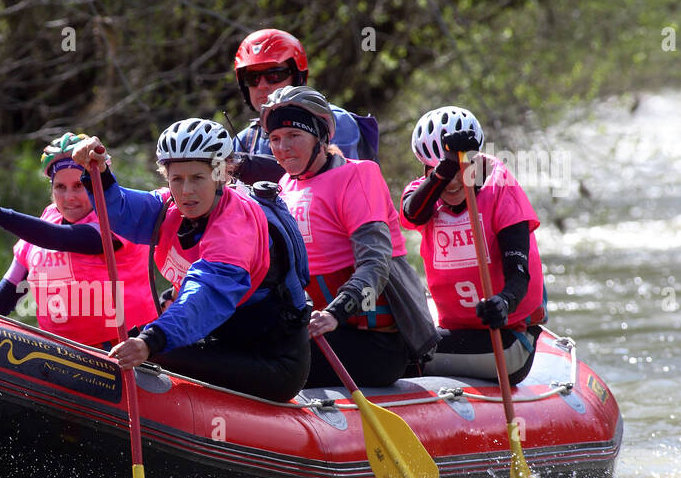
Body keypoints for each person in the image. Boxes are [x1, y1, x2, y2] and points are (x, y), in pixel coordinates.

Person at [68, 119, 312, 402]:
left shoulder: (236, 227)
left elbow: (204, 295)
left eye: (197, 178)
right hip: (218, 341)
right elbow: (122, 210)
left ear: (220, 174)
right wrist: (99, 172)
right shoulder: (170, 208)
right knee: (127, 343)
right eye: (177, 179)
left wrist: (151, 340)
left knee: (151, 347)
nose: (186, 191)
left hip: (270, 360)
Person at [265, 85, 437, 388]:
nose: (283, 148)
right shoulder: (284, 187)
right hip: (321, 333)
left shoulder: (358, 176)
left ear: (321, 137)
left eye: (294, 136)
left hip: (375, 345)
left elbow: (375, 263)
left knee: (272, 362)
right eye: (275, 139)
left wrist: (336, 312)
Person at [0, 133, 159, 348]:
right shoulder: (45, 220)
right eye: (60, 187)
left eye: (79, 185)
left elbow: (59, 238)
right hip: (60, 353)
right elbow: (7, 294)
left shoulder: (117, 218)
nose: (69, 197)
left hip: (126, 348)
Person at [400, 106, 547, 385]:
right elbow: (411, 213)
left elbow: (519, 275)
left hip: (505, 338)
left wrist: (503, 302)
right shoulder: (425, 192)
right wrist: (447, 166)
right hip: (453, 332)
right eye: (441, 171)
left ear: (476, 162)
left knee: (395, 355)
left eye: (462, 169)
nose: (453, 182)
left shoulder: (502, 191)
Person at [229, 28, 379, 187]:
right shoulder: (245, 139)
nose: (262, 86)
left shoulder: (332, 120)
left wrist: (254, 168)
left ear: (297, 77)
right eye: (253, 78)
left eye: (274, 75)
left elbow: (340, 180)